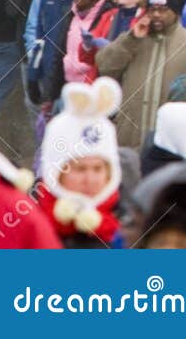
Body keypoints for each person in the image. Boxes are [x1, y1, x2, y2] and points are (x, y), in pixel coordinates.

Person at [96, 0, 186, 149]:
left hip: (174, 146)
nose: (156, 15)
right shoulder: (133, 41)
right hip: (130, 141)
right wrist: (131, 39)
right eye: (152, 10)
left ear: (176, 14)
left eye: (163, 10)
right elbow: (105, 67)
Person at [33, 78, 124, 247]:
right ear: (56, 173)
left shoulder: (129, 220)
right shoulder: (32, 226)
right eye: (79, 169)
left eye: (98, 169)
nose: (90, 180)